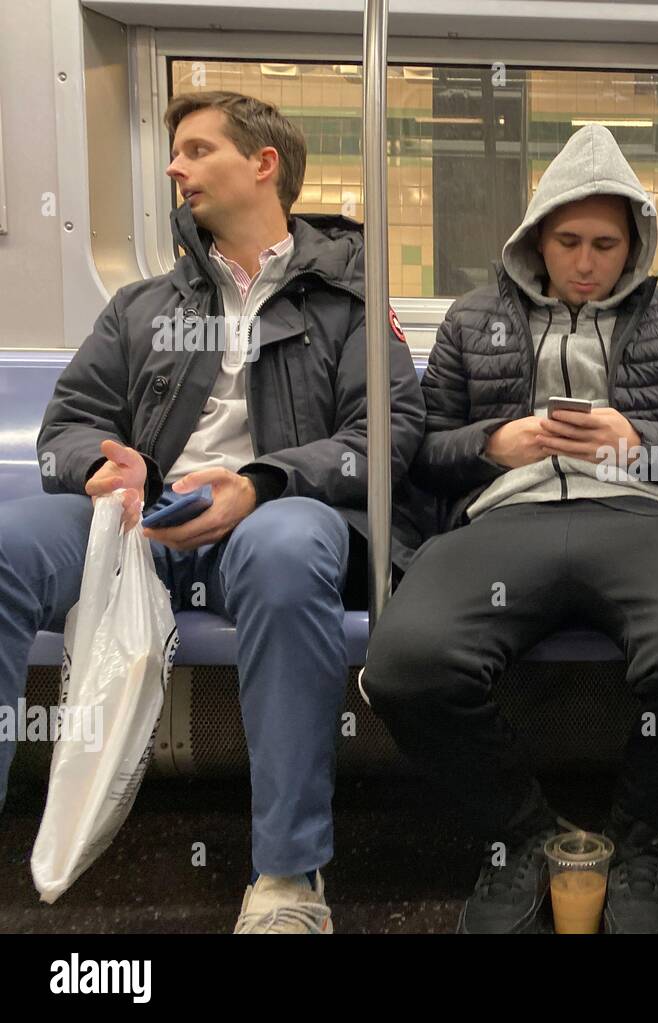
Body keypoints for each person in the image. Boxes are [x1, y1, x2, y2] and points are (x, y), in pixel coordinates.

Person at [0, 91, 423, 932]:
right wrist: (100, 468)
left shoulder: (351, 303)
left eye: (195, 150)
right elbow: (67, 425)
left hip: (275, 515)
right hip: (143, 515)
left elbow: (385, 437)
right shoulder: (143, 307)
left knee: (283, 545)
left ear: (262, 166)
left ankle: (287, 877)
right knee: (4, 543)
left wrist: (261, 482)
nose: (172, 167)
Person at [362, 124, 658, 935]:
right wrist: (489, 444)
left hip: (645, 517)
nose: (586, 261)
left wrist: (640, 444)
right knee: (406, 666)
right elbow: (421, 454)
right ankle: (524, 838)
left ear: (634, 242)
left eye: (606, 244)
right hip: (505, 517)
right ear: (535, 239)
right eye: (568, 240)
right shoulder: (475, 319)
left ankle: (641, 843)